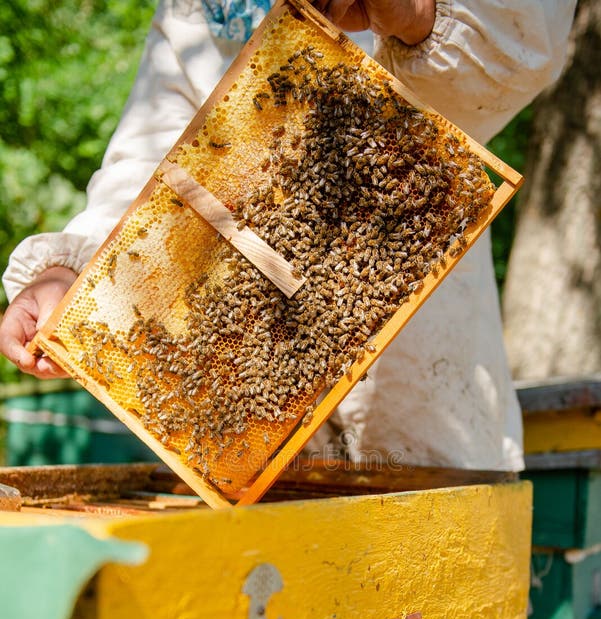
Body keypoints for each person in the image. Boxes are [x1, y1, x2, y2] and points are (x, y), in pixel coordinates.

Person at [0, 0, 576, 471]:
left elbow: (523, 44)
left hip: (424, 393)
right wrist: (74, 272)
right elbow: (159, 154)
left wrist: (412, 13)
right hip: (236, 394)